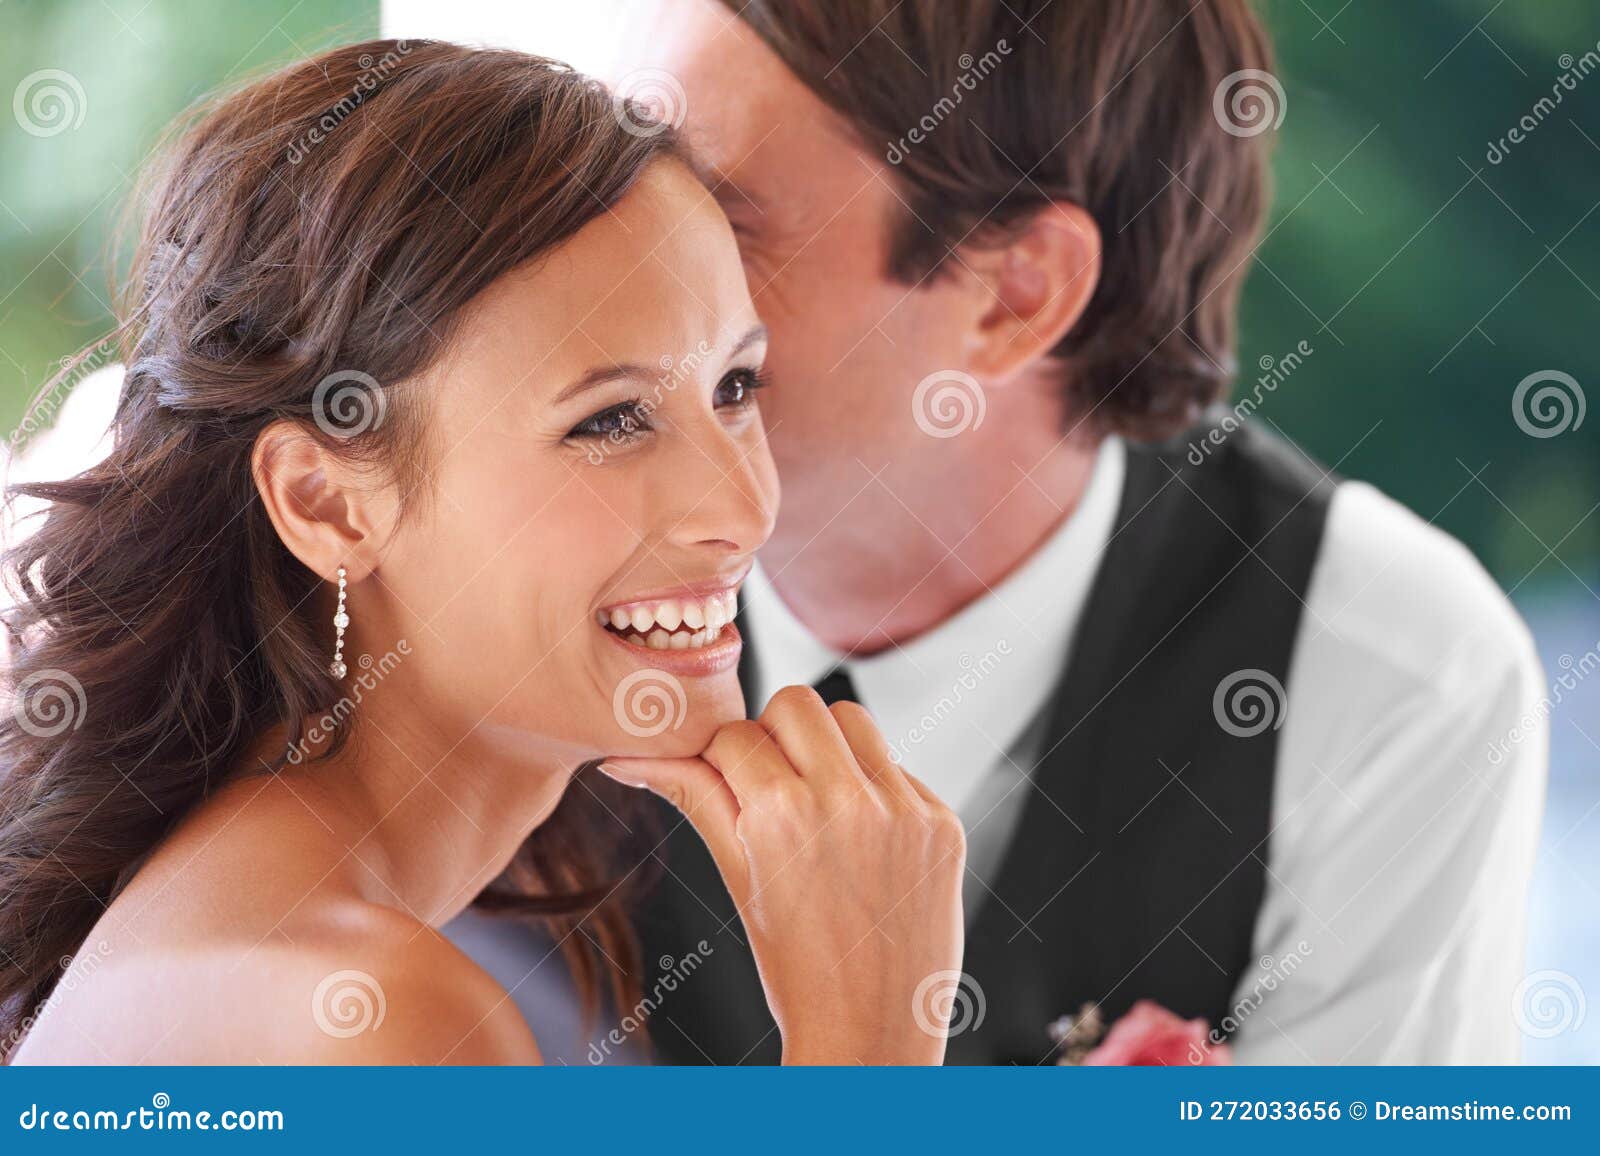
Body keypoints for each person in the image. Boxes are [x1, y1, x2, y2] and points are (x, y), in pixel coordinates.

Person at [459, 0, 1546, 1064]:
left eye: (715, 224)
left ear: (1014, 296)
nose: (592, 282)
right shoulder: (470, 571)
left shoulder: (1385, 670)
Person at [0, 40, 966, 1065]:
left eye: (735, 388)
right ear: (326, 502)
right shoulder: (378, 1018)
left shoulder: (260, 937)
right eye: (610, 421)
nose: (743, 506)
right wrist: (867, 1040)